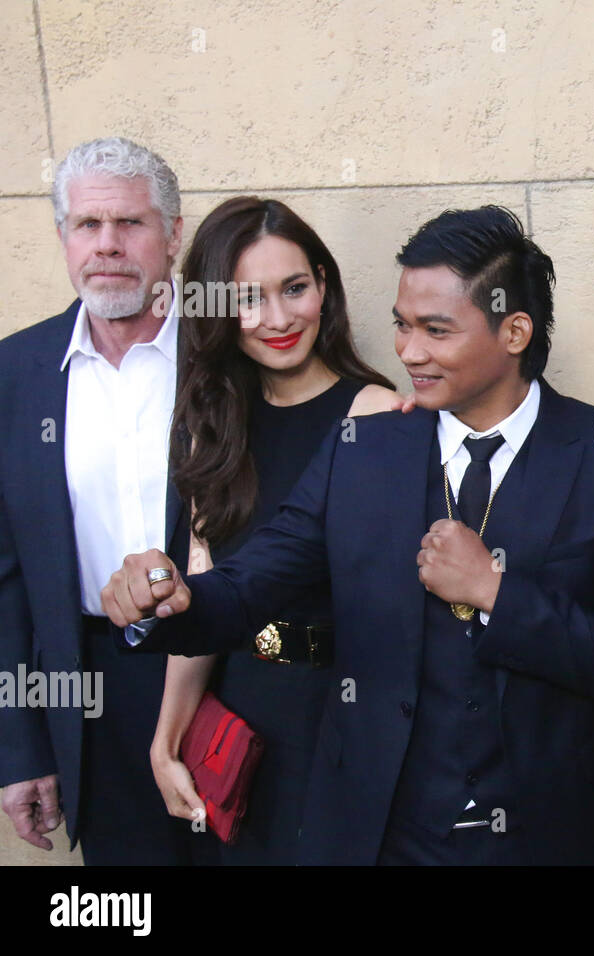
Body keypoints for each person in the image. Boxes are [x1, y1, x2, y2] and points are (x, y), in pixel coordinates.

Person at [104, 205, 594, 865]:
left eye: (436, 330)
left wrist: (495, 592)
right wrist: (171, 602)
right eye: (402, 326)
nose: (408, 351)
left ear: (514, 331)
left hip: (556, 833)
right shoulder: (363, 449)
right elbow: (252, 583)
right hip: (387, 835)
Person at [150, 196, 396, 864]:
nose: (279, 319)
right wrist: (166, 737)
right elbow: (205, 591)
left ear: (324, 285)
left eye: (295, 288)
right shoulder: (212, 427)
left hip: (345, 715)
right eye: (248, 298)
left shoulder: (377, 413)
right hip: (241, 722)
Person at [0, 137, 210, 864]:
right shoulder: (16, 373)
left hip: (229, 676)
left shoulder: (230, 353)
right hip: (90, 693)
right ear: (63, 238)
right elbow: (7, 582)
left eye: (130, 224)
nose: (108, 245)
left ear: (173, 234)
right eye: (87, 226)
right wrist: (20, 746)